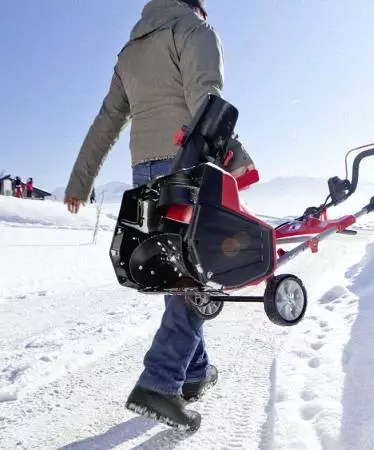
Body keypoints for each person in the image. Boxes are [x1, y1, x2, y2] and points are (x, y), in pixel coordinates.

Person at [63, 0, 255, 432]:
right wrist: (236, 155)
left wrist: (80, 182)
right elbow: (205, 99)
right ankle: (160, 382)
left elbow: (106, 121)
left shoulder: (130, 52)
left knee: (180, 274)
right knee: (196, 272)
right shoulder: (193, 30)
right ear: (195, 5)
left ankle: (195, 372)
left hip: (144, 174)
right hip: (187, 164)